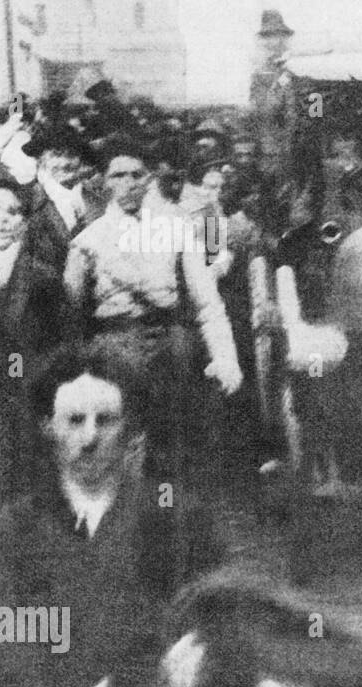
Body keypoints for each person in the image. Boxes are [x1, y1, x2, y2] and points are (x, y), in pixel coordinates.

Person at [0, 344, 231, 687]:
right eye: (74, 420)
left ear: (129, 429)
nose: (90, 437)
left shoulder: (179, 519)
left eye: (105, 420)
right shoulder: (11, 531)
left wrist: (198, 654)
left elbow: (221, 618)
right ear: (48, 427)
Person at [62, 139, 243, 483]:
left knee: (171, 447)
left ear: (149, 180)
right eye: (118, 175)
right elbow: (70, 316)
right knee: (117, 444)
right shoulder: (88, 241)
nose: (129, 183)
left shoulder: (178, 229)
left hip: (170, 347)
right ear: (103, 181)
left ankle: (164, 520)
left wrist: (225, 356)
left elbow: (208, 302)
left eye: (137, 175)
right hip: (113, 347)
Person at [0, 176, 74, 546]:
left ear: (25, 223)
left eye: (14, 212)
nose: (4, 219)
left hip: (23, 396)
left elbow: (63, 345)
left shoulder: (44, 279)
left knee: (21, 482)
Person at [22, 125, 99, 271]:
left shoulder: (96, 198)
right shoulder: (27, 201)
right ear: (41, 160)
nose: (65, 163)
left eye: (71, 155)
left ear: (81, 159)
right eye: (56, 155)